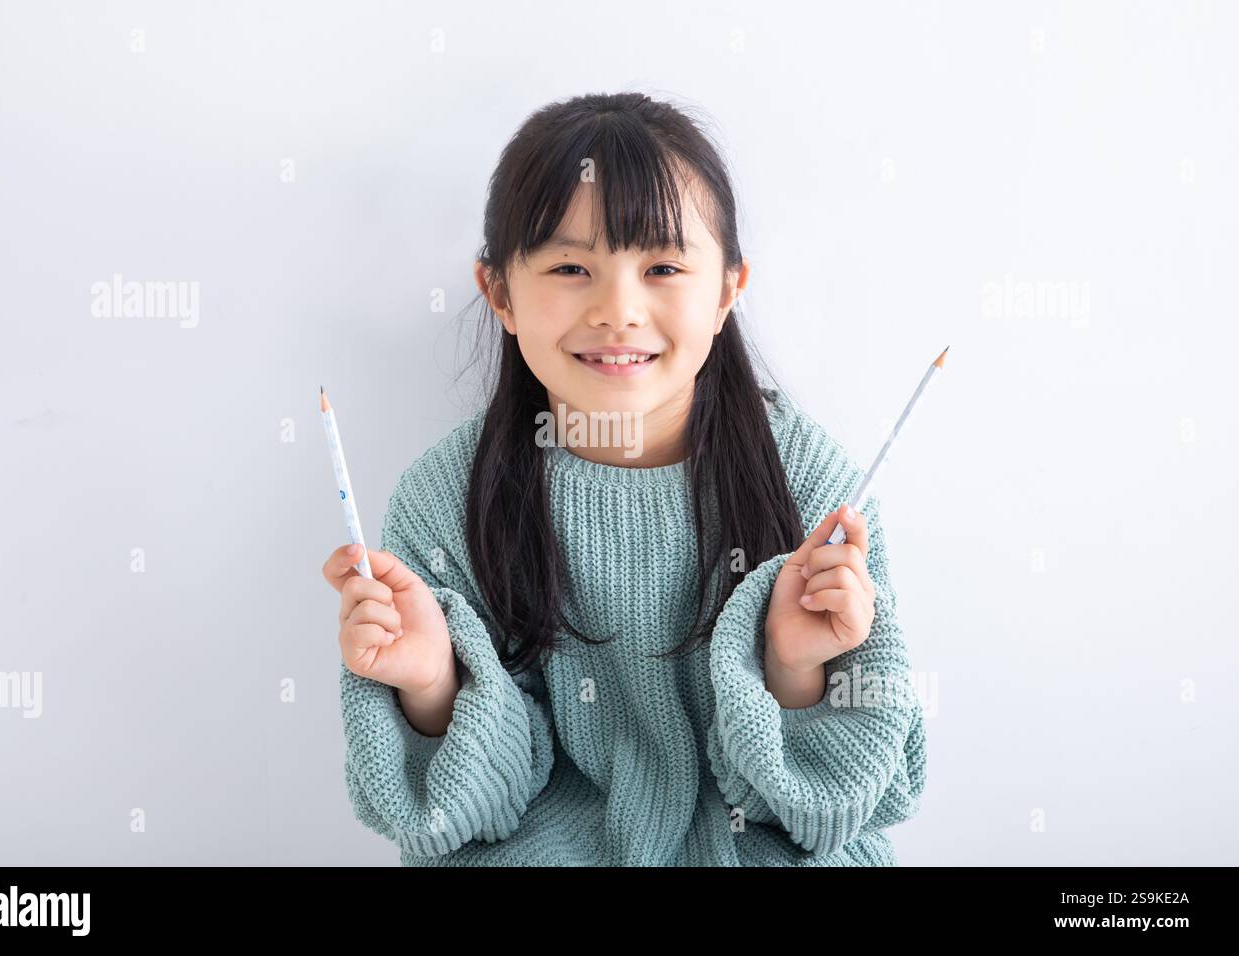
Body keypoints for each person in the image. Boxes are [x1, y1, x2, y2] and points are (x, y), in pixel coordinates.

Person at [322, 91, 926, 866]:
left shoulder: (812, 483)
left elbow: (855, 805)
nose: (619, 310)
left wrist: (796, 673)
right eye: (571, 267)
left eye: (664, 266)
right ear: (500, 293)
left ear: (727, 292)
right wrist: (433, 684)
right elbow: (459, 820)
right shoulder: (444, 499)